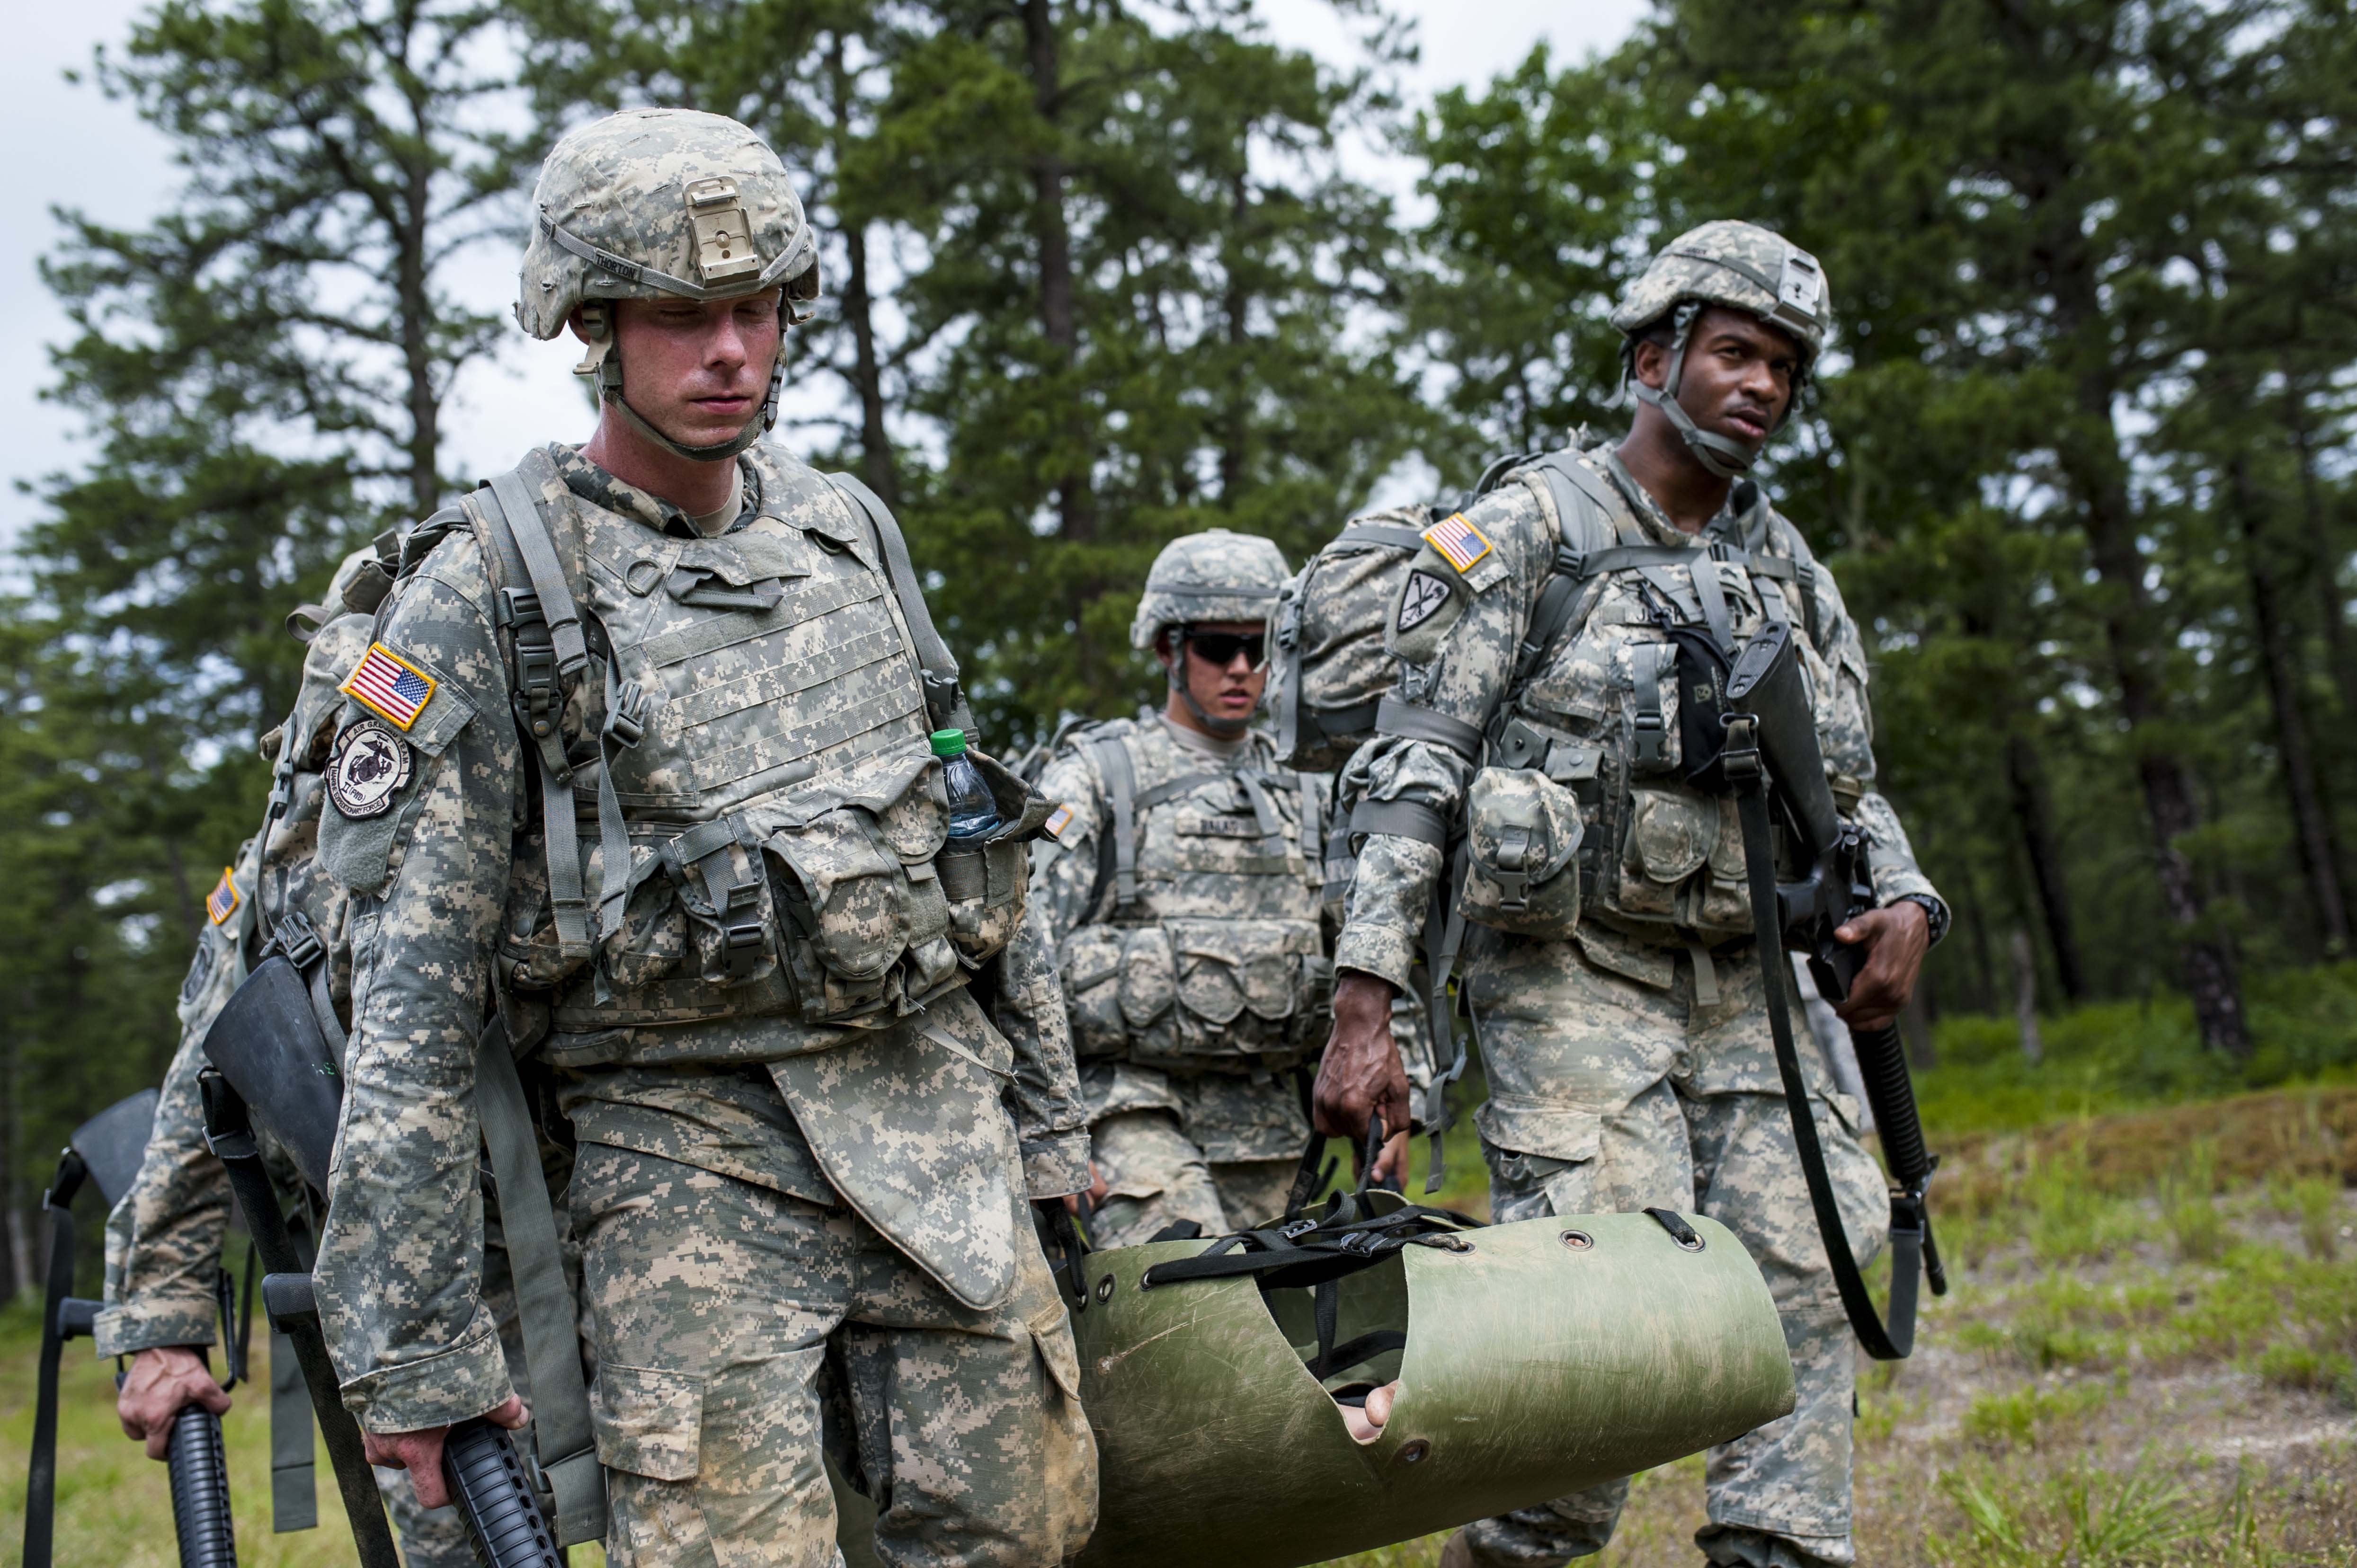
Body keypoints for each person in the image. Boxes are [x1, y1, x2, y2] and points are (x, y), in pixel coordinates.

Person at [306, 107, 1095, 1567]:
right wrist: (411, 1347)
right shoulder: (491, 592)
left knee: (1028, 1529)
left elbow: (977, 834)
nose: (731, 350)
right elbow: (410, 1011)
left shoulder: (850, 533)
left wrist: (1051, 1128)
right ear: (591, 323)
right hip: (680, 1165)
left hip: (933, 1127)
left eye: (755, 309)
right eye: (683, 316)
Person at [1312, 220, 1948, 1568]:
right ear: (1652, 358)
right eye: (1732, 352)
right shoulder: (1524, 535)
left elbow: (1850, 786)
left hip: (1753, 994)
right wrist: (1369, 1011)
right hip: (1572, 983)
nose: (1759, 386)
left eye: (1781, 365)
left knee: (1800, 1301)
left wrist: (1904, 899)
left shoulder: (1793, 578)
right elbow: (1412, 773)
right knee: (1599, 1356)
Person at [101, 540, 520, 1568]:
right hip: (415, 1281)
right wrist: (161, 1319)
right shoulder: (280, 886)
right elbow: (205, 1092)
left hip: (624, 1241)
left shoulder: (548, 808)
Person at [999, 532, 1427, 1249]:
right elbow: (1020, 956)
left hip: (1276, 1122)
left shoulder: (1317, 788)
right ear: (1168, 649)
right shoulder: (1099, 777)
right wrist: (1050, 1131)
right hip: (1129, 1112)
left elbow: (1375, 952)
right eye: (1215, 647)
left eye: (1259, 648)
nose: (1241, 668)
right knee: (1198, 1314)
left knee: (1303, 1333)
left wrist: (1397, 1098)